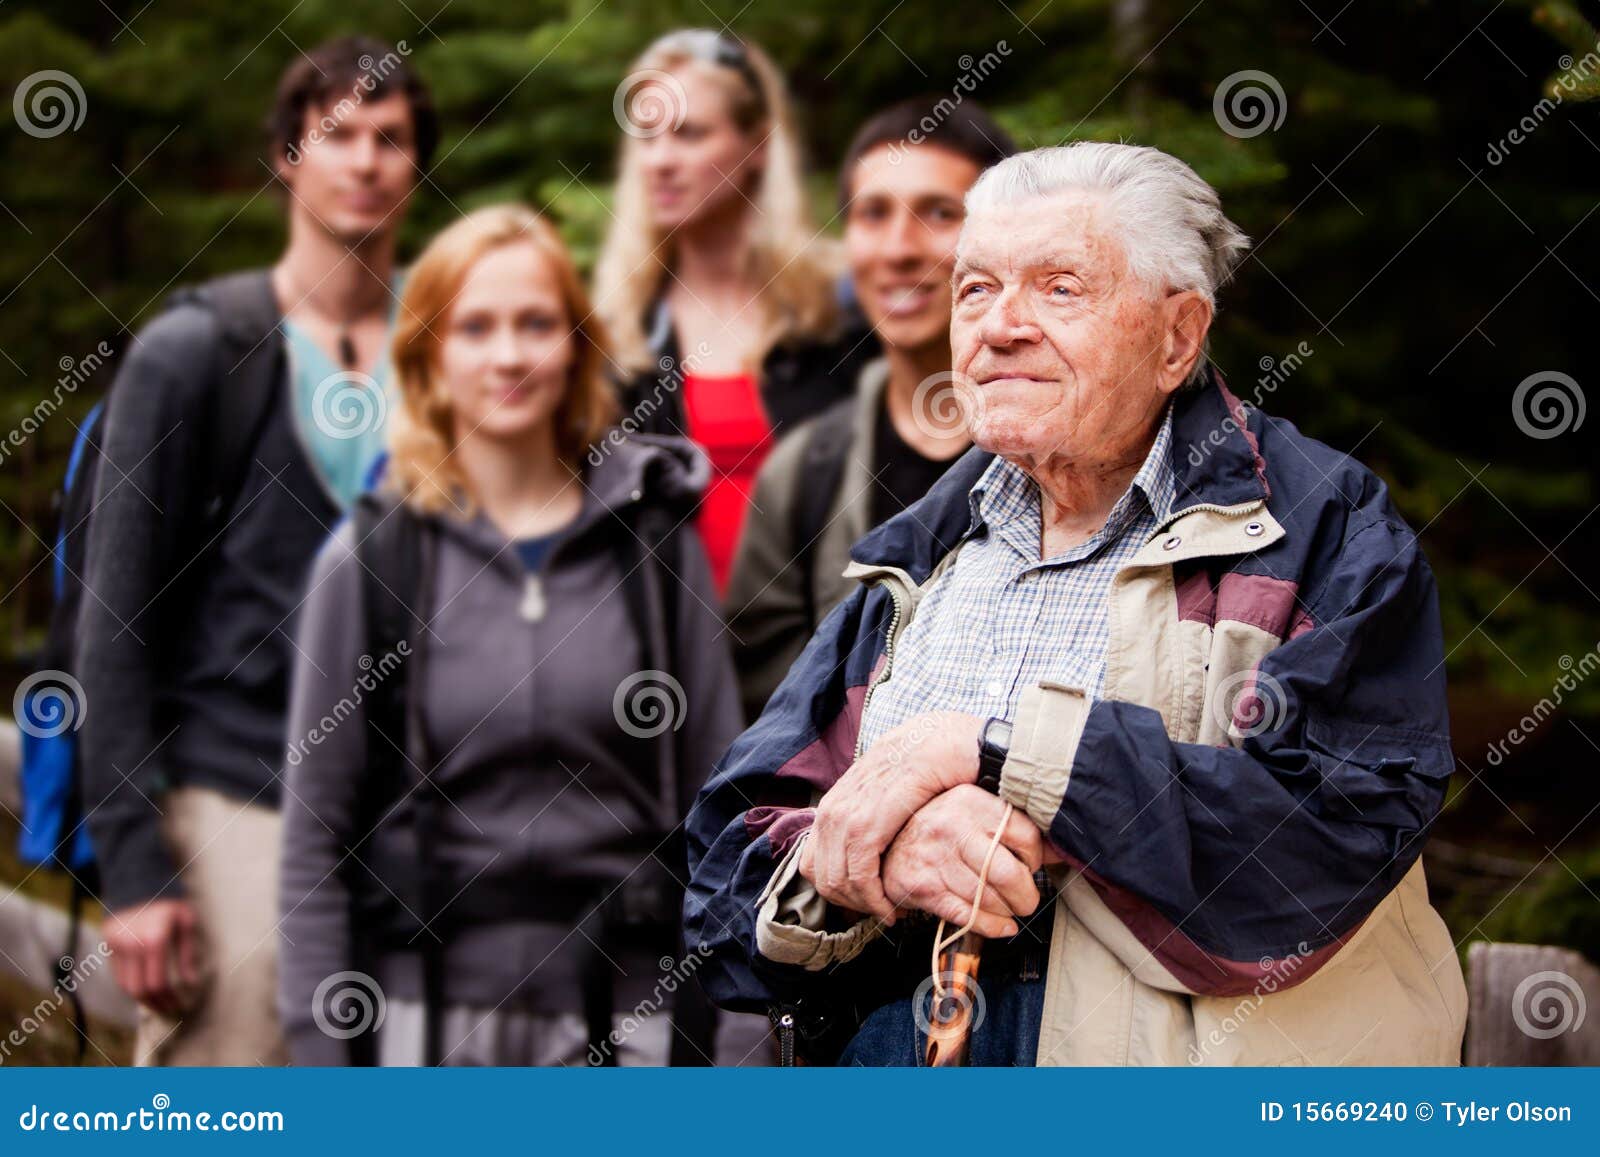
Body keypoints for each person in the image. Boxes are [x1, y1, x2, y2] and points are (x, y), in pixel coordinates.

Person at [685, 143, 1469, 1066]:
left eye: (1059, 287)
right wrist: (872, 866)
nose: (1000, 326)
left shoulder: (1319, 527)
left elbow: (1332, 839)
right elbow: (725, 876)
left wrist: (995, 748)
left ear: (1178, 335)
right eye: (975, 290)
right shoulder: (921, 556)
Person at [278, 204, 742, 1067]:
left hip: (632, 1016)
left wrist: (742, 1026)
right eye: (476, 327)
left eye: (536, 324)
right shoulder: (374, 558)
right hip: (426, 1012)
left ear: (575, 345)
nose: (509, 356)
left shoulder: (652, 548)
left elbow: (724, 800)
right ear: (428, 354)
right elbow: (315, 834)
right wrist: (319, 1050)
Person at [76, 36, 434, 1066]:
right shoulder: (198, 350)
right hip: (237, 792)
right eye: (338, 135)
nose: (365, 160)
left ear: (416, 166)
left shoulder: (453, 346)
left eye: (392, 139)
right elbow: (115, 624)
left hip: (413, 819)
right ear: (288, 156)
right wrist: (139, 870)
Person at [726, 99, 1014, 721]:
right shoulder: (804, 472)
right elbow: (766, 707)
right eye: (873, 213)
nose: (899, 249)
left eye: (940, 213)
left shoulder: (1079, 452)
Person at [593, 28, 878, 593]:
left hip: (821, 650)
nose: (661, 161)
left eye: (689, 133)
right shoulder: (615, 330)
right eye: (646, 138)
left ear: (757, 147)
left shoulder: (840, 308)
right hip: (670, 664)